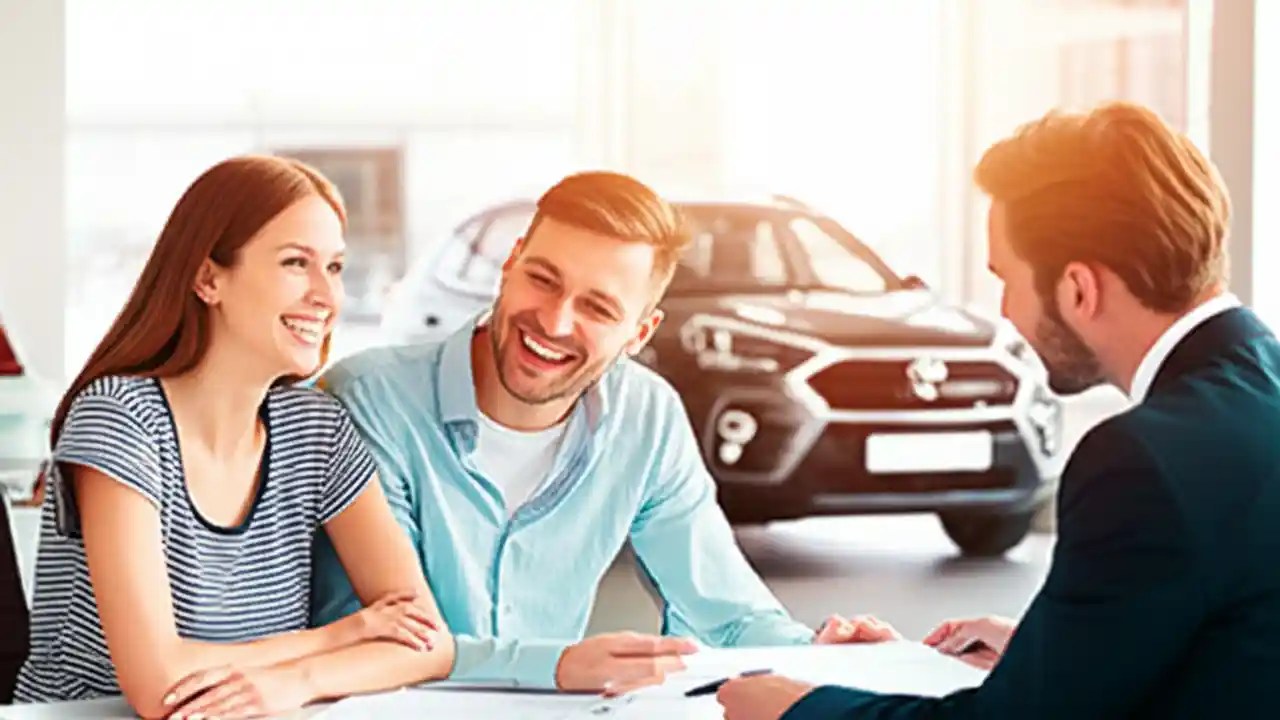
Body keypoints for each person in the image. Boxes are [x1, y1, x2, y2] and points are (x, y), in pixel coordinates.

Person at [717, 101, 1280, 719]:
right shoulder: (1256, 395)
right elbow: (1240, 643)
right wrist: (1053, 654)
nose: (1005, 312)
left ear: (1078, 289)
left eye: (1005, 279)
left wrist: (799, 709)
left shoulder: (1145, 459)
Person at [311, 171, 893, 695]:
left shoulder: (647, 417)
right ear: (510, 264)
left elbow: (725, 612)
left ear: (641, 331)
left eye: (598, 307)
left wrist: (820, 656)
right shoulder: (368, 401)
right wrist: (556, 666)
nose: (556, 321)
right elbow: (372, 638)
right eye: (542, 279)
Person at [14, 156, 458, 719]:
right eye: (297, 263)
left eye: (337, 267)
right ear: (208, 278)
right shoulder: (120, 419)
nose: (327, 296)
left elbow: (432, 644)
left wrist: (295, 682)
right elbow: (159, 685)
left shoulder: (316, 430)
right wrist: (345, 634)